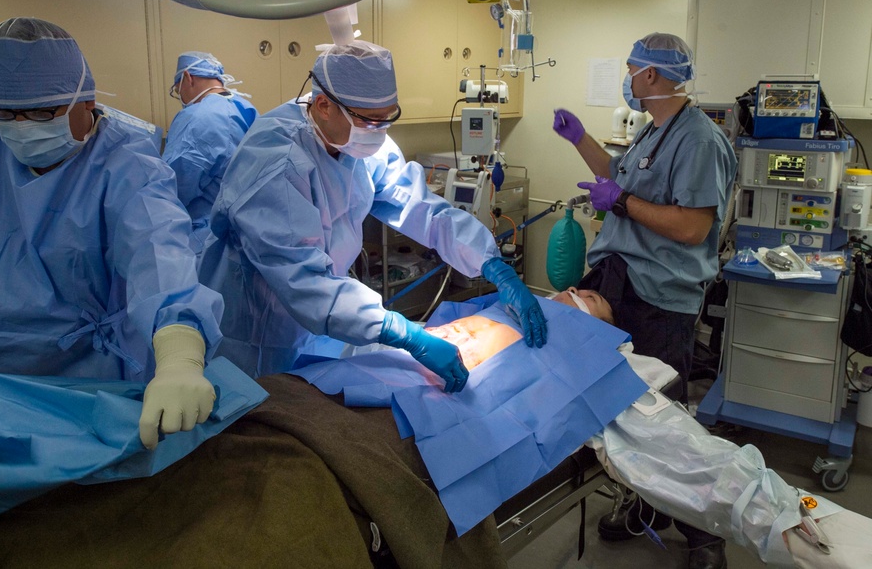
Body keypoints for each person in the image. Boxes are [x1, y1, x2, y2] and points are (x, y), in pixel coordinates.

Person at [0, 17, 224, 451]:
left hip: (90, 380)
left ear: (88, 101)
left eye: (44, 112)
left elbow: (159, 256)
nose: (22, 127)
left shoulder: (128, 164)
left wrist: (179, 358)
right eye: (4, 113)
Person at [200, 40, 548, 392]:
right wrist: (404, 333)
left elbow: (422, 208)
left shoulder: (360, 142)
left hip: (314, 323)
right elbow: (306, 282)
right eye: (371, 120)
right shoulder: (276, 163)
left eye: (388, 117)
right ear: (323, 105)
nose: (379, 131)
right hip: (251, 329)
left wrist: (491, 263)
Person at [553, 32, 737, 569]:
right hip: (623, 283)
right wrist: (581, 140)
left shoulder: (698, 140)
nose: (628, 81)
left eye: (632, 71)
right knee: (622, 407)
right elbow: (619, 178)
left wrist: (625, 205)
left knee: (665, 419)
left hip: (662, 298)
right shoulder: (655, 132)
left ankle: (705, 537)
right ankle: (647, 507)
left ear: (651, 76)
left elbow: (692, 226)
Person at [162, 52, 257, 253]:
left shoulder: (196, 118)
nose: (181, 98)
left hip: (208, 241)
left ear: (188, 77)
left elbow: (172, 187)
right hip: (249, 236)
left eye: (178, 91)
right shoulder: (246, 108)